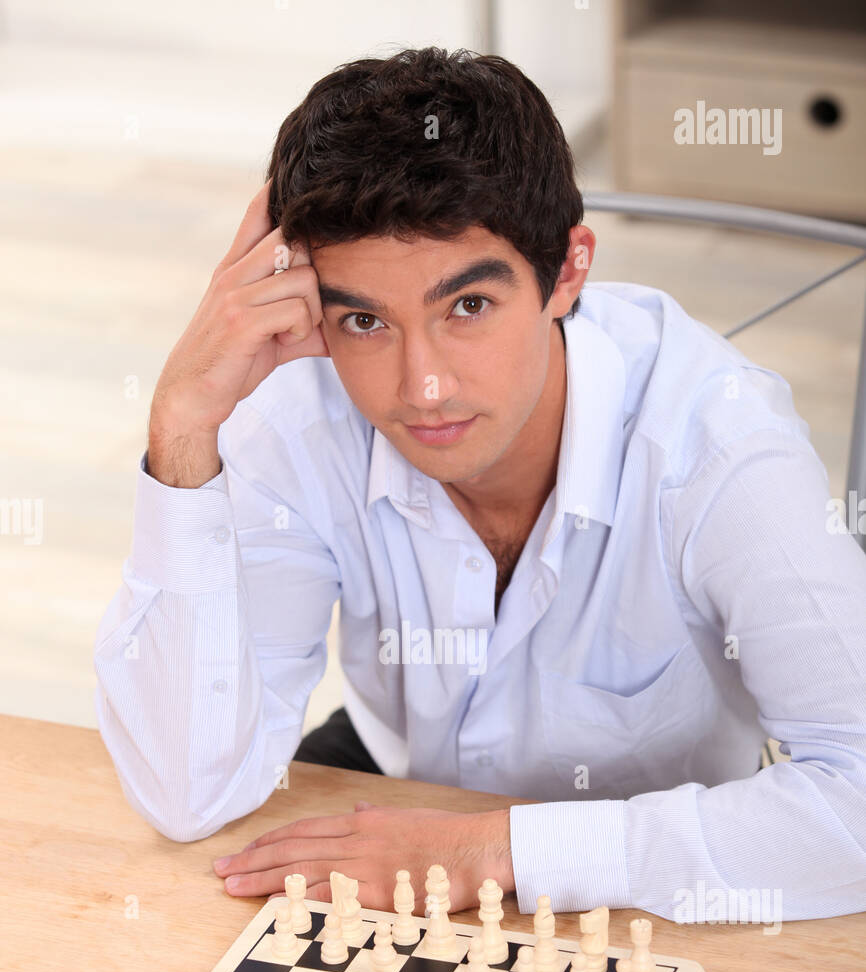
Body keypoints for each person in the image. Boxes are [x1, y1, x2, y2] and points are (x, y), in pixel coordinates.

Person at [94, 47, 866, 923]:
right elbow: (185, 792)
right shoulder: (299, 414)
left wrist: (491, 852)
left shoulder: (720, 445)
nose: (421, 386)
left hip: (649, 855)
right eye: (365, 319)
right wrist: (184, 429)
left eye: (467, 307)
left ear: (568, 271)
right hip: (396, 777)